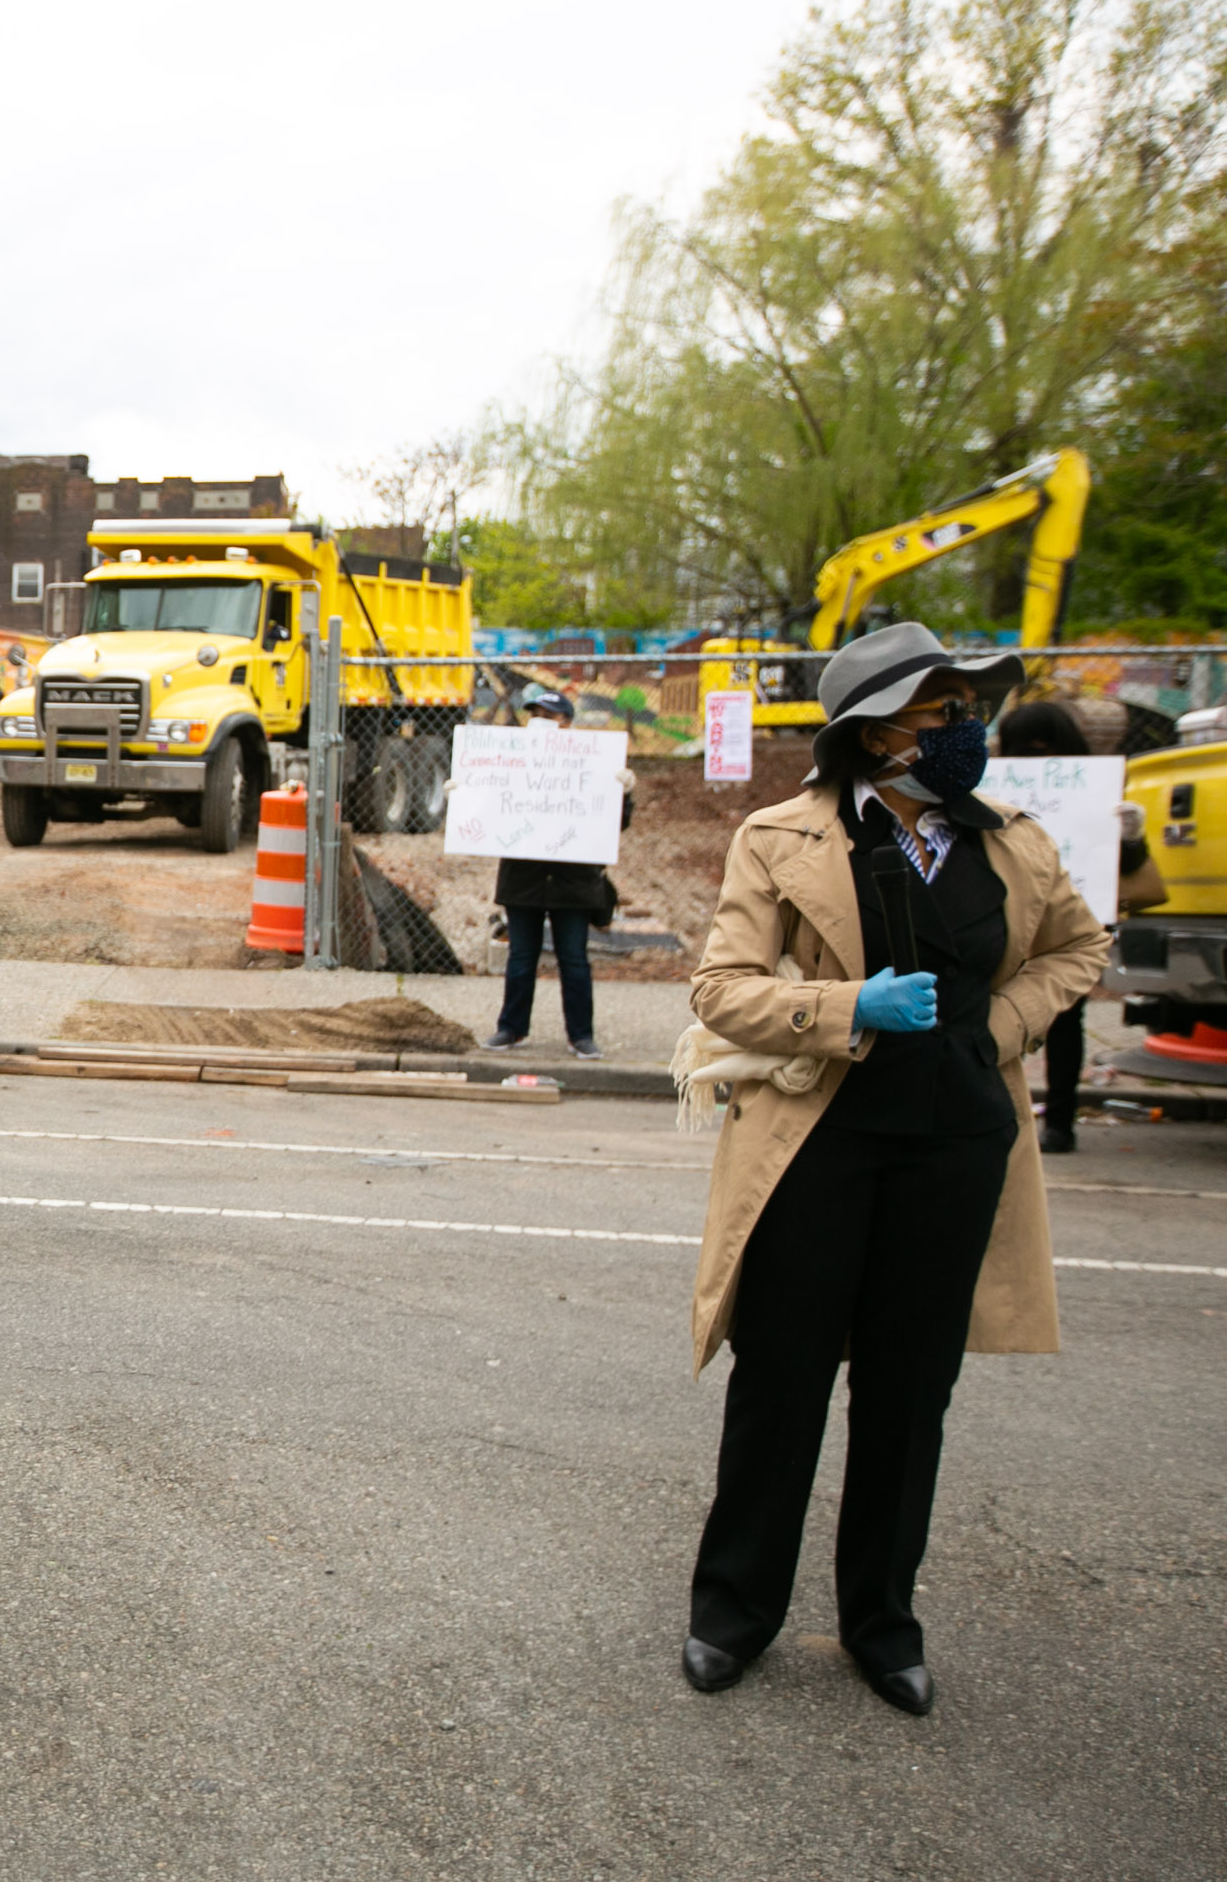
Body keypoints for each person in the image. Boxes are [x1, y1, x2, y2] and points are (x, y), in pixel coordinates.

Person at [679, 621, 1106, 1716]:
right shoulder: (781, 836)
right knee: (782, 1377)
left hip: (957, 1144)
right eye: (940, 711)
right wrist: (837, 1007)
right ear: (874, 734)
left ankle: (882, 1621)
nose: (965, 729)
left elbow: (1079, 945)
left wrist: (1003, 1023)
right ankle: (734, 1612)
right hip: (818, 1141)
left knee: (912, 1390)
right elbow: (721, 985)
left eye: (968, 708)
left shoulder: (1011, 839)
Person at [992, 698, 1161, 1153]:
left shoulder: (1091, 794)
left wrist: (1129, 837)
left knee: (1064, 1023)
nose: (1032, 759)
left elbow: (1121, 870)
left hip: (1064, 923)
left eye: (1041, 748)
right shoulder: (989, 789)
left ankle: (1059, 1122)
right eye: (1021, 749)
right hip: (1002, 918)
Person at [482, 683, 631, 1061]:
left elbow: (617, 822)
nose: (540, 722)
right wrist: (466, 792)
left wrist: (623, 793)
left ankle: (581, 1036)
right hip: (524, 879)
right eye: (535, 715)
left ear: (567, 722)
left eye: (548, 716)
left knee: (573, 958)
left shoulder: (592, 762)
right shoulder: (511, 759)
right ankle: (510, 1029)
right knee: (521, 957)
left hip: (573, 882)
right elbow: (489, 804)